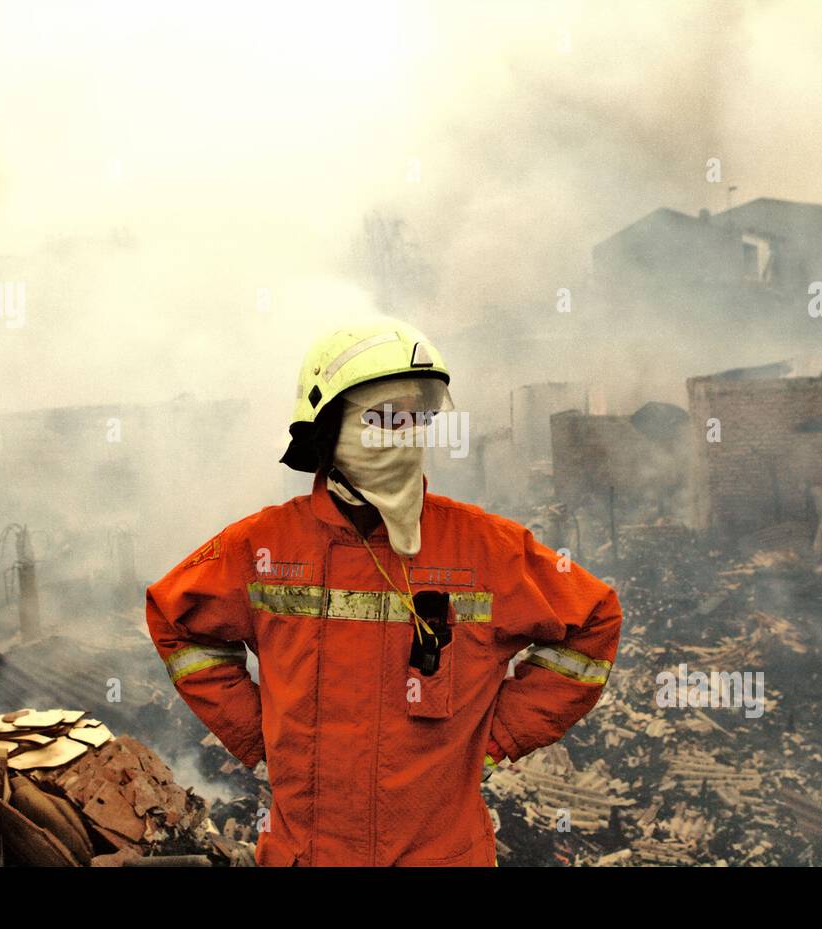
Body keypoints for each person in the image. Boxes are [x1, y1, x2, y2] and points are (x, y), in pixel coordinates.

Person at [145, 318, 622, 866]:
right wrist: (259, 738)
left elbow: (595, 620)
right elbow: (174, 616)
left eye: (417, 418)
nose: (405, 436)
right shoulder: (263, 546)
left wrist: (499, 739)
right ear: (327, 430)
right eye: (384, 419)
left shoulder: (486, 548)